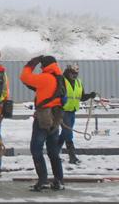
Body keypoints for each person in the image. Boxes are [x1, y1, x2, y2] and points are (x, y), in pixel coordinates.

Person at [21, 55, 65, 191]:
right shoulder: (59, 78)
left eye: (41, 66)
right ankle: (58, 180)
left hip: (44, 118)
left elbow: (24, 77)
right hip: (56, 118)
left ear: (45, 66)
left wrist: (31, 63)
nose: (40, 69)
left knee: (36, 148)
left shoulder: (46, 77)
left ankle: (43, 180)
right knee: (53, 151)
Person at [60, 63, 97, 164]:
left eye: (76, 73)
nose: (75, 75)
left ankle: (54, 153)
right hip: (63, 111)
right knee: (68, 134)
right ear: (68, 72)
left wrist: (90, 95)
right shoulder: (62, 81)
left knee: (64, 134)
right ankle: (72, 156)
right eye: (73, 73)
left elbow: (81, 97)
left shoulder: (78, 83)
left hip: (72, 111)